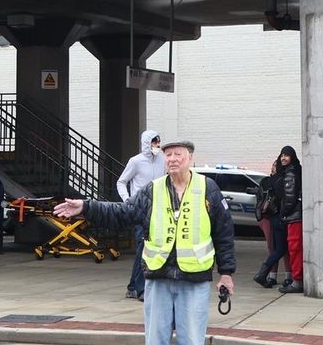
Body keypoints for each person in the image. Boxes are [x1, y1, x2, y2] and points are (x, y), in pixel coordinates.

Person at [53, 140, 236, 345]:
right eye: (168, 155)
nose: (172, 159)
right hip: (158, 278)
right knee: (155, 340)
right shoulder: (153, 190)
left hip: (194, 279)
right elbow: (122, 213)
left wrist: (226, 273)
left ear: (190, 158)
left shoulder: (208, 188)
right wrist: (87, 207)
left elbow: (224, 233)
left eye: (178, 154)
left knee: (192, 340)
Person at [116, 130, 167, 300]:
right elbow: (121, 181)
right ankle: (141, 288)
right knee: (142, 247)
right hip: (139, 210)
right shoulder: (136, 161)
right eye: (154, 142)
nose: (157, 146)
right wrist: (128, 200)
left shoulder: (163, 159)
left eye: (158, 142)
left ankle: (133, 286)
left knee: (146, 249)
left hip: (158, 210)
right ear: (147, 143)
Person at [252, 157, 290, 289]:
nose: (274, 167)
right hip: (273, 217)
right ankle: (267, 275)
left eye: (276, 165)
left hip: (273, 217)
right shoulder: (274, 181)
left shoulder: (276, 180)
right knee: (277, 248)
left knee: (279, 248)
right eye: (274, 165)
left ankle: (270, 275)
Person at [274, 145, 304, 293]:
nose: (283, 158)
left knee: (294, 248)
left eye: (286, 155)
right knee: (294, 249)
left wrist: (284, 213)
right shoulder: (292, 171)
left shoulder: (290, 173)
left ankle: (297, 281)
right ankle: (296, 279)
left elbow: (290, 198)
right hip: (294, 216)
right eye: (281, 155)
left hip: (294, 217)